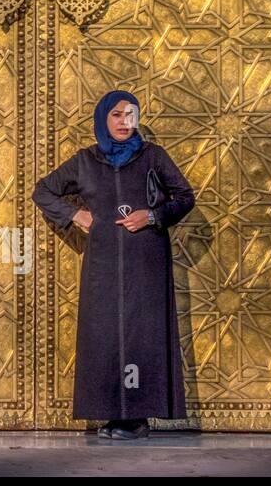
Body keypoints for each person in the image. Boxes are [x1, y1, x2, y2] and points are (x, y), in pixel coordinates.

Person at [31, 90, 196, 439]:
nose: (125, 122)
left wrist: (152, 216)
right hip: (103, 264)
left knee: (141, 335)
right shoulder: (86, 161)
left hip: (146, 262)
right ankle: (112, 414)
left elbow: (184, 197)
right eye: (117, 115)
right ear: (104, 118)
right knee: (105, 336)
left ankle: (136, 418)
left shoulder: (152, 156)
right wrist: (75, 214)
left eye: (131, 115)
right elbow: (43, 191)